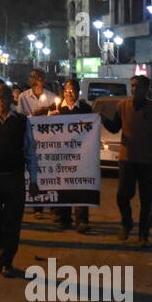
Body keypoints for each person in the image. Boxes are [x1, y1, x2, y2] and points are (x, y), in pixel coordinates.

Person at [100, 74, 152, 248]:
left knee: (147, 200)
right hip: (127, 159)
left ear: (146, 90)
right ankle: (127, 223)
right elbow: (114, 128)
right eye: (132, 86)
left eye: (138, 87)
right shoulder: (122, 106)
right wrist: (102, 118)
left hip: (147, 161)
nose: (134, 89)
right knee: (122, 196)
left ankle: (143, 235)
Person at [0, 82, 40, 277]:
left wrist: (34, 180)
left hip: (14, 179)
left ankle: (7, 260)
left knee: (13, 222)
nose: (0, 102)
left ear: (11, 99)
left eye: (4, 97)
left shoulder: (22, 121)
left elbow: (30, 151)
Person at [50, 78, 93, 234]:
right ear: (63, 91)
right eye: (67, 90)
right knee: (63, 188)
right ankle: (64, 219)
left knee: (80, 188)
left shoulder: (86, 109)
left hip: (81, 156)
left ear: (78, 92)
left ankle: (81, 221)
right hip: (61, 157)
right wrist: (49, 119)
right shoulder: (54, 110)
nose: (70, 93)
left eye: (73, 90)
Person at [17, 69, 58, 216]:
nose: (36, 80)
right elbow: (20, 119)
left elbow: (56, 118)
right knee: (34, 173)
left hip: (49, 141)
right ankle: (37, 207)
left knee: (49, 172)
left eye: (39, 77)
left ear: (44, 79)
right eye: (33, 77)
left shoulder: (51, 97)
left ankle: (54, 207)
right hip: (30, 139)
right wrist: (35, 115)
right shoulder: (23, 97)